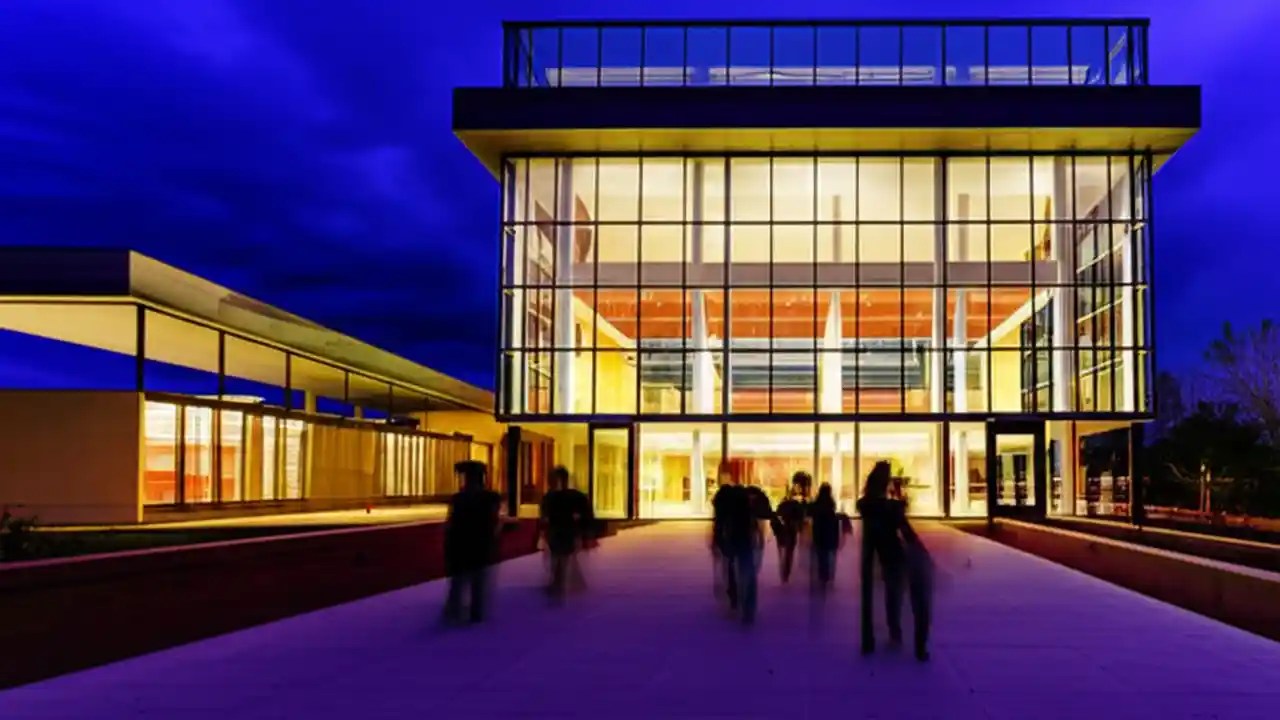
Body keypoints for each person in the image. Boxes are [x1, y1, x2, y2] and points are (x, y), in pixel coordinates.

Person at [856, 460, 930, 661]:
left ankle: (892, 632)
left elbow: (870, 539)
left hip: (886, 557)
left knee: (893, 597)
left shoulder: (867, 506)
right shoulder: (892, 508)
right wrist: (922, 553)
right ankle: (919, 647)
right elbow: (907, 533)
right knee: (918, 602)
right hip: (900, 556)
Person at [442, 460, 502, 625]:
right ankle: (475, 613)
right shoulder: (491, 498)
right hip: (481, 545)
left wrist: (448, 546)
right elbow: (494, 523)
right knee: (478, 583)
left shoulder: (458, 499)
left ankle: (455, 613)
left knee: (458, 582)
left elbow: (451, 524)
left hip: (460, 545)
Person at [711, 460, 762, 624]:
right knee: (747, 572)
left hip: (732, 539)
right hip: (745, 540)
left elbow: (719, 524)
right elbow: (753, 523)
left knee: (732, 568)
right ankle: (747, 607)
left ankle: (735, 598)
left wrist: (718, 541)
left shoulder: (725, 502)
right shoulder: (744, 503)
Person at [539, 465, 595, 600]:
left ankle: (560, 586)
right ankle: (564, 585)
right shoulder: (556, 497)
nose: (550, 482)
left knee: (561, 559)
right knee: (562, 559)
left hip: (565, 532)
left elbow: (586, 515)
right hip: (560, 531)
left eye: (553, 479)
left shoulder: (561, 497)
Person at [808, 482, 850, 594]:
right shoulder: (830, 504)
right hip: (830, 534)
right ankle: (827, 577)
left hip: (819, 534)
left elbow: (810, 513)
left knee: (821, 556)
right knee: (828, 556)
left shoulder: (816, 505)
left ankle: (822, 576)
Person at [774, 472, 811, 583]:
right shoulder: (801, 500)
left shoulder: (788, 499)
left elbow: (779, 512)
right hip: (791, 529)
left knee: (788, 552)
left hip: (789, 528)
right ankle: (787, 573)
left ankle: (786, 573)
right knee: (790, 551)